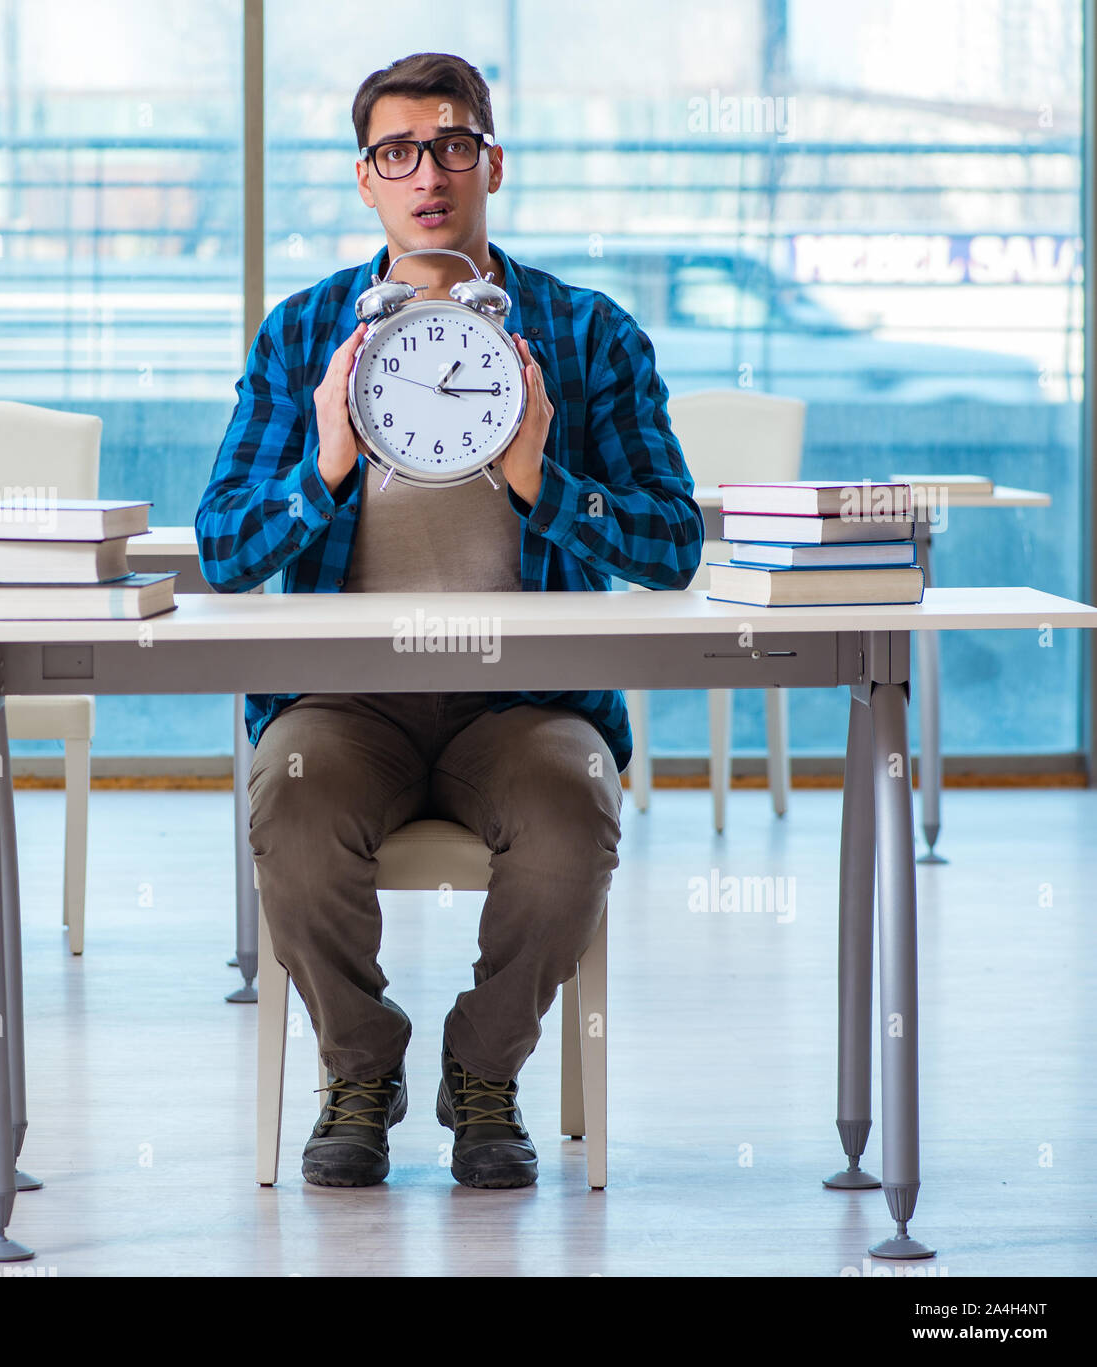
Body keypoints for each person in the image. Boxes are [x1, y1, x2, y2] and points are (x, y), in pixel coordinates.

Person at [195, 51, 704, 1190]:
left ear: (493, 163)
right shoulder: (301, 335)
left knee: (574, 807)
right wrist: (321, 461)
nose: (429, 173)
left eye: (454, 144)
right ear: (365, 179)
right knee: (290, 794)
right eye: (398, 152)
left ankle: (485, 1073)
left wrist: (544, 479)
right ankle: (360, 1070)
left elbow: (673, 547)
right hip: (344, 701)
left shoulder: (587, 335)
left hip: (525, 702)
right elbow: (224, 550)